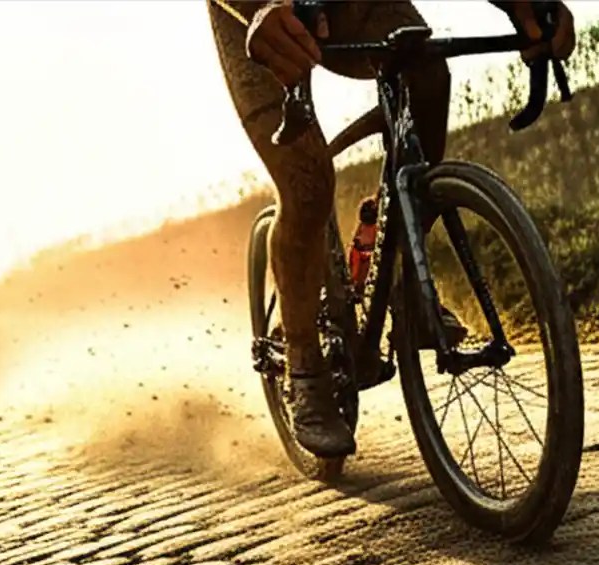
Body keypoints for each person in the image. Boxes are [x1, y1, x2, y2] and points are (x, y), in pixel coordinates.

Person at [206, 1, 575, 458]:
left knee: (426, 74)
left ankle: (401, 270)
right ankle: (304, 365)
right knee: (307, 186)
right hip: (257, 13)